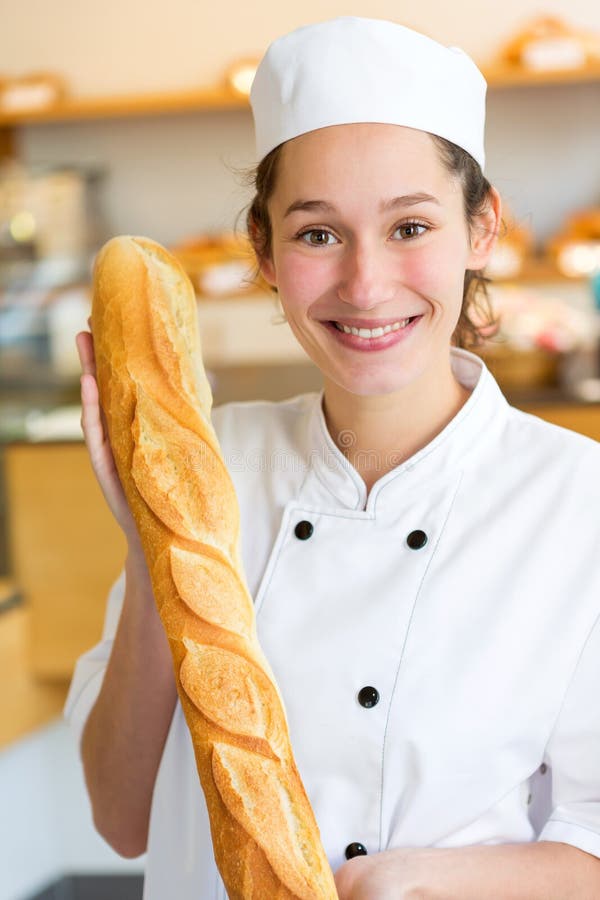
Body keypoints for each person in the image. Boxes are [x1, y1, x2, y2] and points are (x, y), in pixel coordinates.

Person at [65, 16, 600, 899]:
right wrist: (149, 545)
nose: (366, 284)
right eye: (318, 234)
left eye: (410, 226)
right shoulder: (208, 468)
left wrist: (418, 883)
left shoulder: (577, 502)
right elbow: (120, 818)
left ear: (482, 228)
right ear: (264, 250)